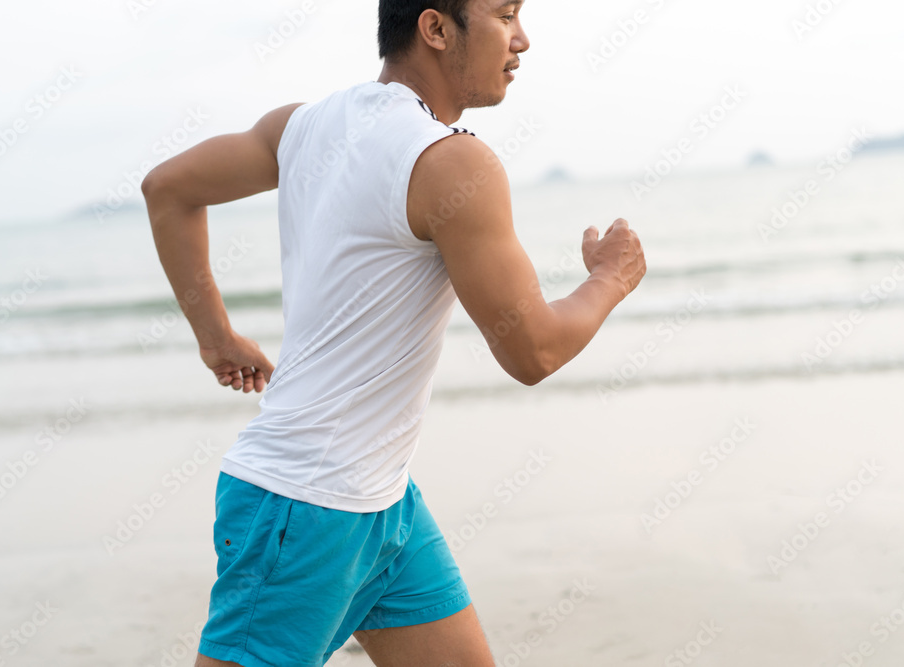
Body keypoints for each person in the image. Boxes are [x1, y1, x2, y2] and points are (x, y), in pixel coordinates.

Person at [142, 0, 646, 664]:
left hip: (383, 502)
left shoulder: (303, 125)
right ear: (436, 28)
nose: (522, 39)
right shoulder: (452, 165)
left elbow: (167, 189)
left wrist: (216, 337)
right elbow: (535, 350)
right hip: (304, 506)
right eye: (504, 14)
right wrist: (611, 277)